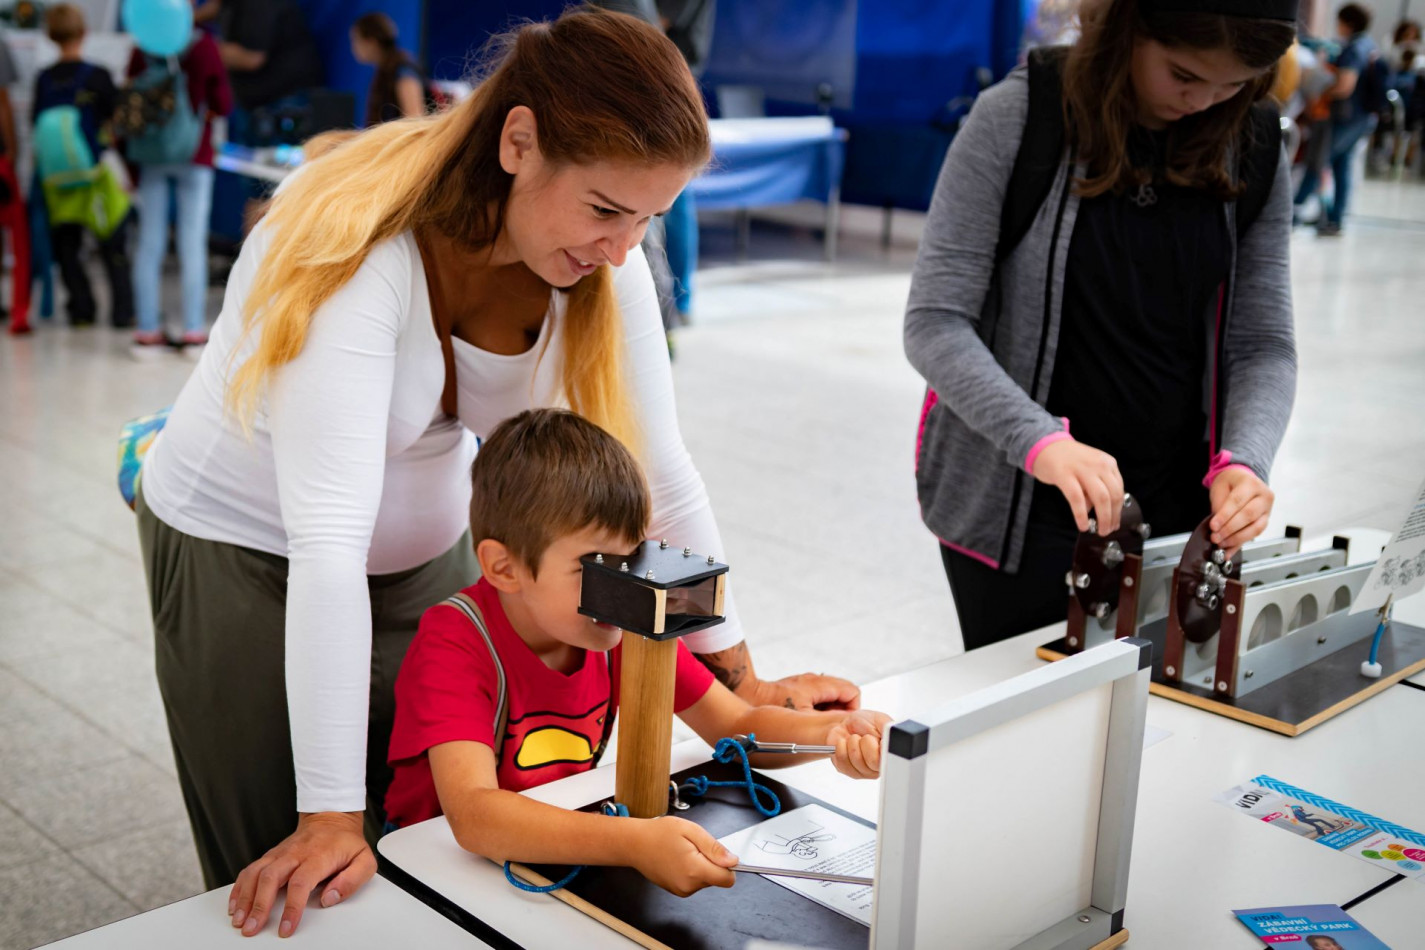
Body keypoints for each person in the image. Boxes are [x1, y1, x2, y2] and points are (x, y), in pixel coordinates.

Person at [134, 8, 858, 938]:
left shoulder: (603, 258)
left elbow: (663, 468)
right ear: (518, 141)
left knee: (423, 834)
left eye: (649, 218)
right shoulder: (360, 250)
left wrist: (742, 680)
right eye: (605, 209)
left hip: (428, 556)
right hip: (246, 550)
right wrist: (325, 815)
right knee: (296, 864)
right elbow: (327, 542)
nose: (622, 248)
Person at [906, 0, 1298, 651]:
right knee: (1029, 721)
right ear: (1128, 27)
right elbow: (935, 321)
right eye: (1182, 75)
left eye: (1233, 84)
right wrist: (1040, 441)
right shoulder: (1022, 113)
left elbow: (1264, 344)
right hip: (1022, 507)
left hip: (1176, 512)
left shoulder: (1252, 142)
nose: (1203, 102)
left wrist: (1245, 460)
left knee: (1154, 721)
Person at [373, 409, 888, 900]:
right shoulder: (455, 642)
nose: (622, 586)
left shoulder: (621, 622)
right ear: (505, 568)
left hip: (557, 846)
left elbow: (738, 727)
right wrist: (633, 844)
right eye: (594, 567)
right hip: (434, 872)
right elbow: (475, 816)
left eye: (632, 557)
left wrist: (832, 736)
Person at [127, 26, 233, 358]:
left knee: (149, 242)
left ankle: (146, 331)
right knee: (192, 242)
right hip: (194, 152)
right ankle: (192, 332)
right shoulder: (204, 46)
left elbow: (130, 101)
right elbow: (223, 103)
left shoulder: (142, 47)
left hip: (152, 153)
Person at [32, 3, 132, 329]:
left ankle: (81, 309)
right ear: (83, 32)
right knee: (112, 239)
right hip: (95, 172)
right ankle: (121, 313)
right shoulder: (98, 76)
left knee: (67, 245)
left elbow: (36, 123)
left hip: (57, 178)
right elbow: (117, 120)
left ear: (50, 36)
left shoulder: (43, 79)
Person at [1292, 4, 1377, 236]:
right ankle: (1335, 219)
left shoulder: (1353, 49)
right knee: (1341, 167)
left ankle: (1293, 212)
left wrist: (1320, 91)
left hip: (1344, 118)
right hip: (1360, 118)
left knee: (1318, 161)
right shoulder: (1368, 45)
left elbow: (1345, 86)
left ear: (1346, 22)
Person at [350, 12, 427, 126]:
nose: (353, 47)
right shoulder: (384, 71)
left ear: (372, 42)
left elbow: (415, 120)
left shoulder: (403, 71)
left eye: (356, 40)